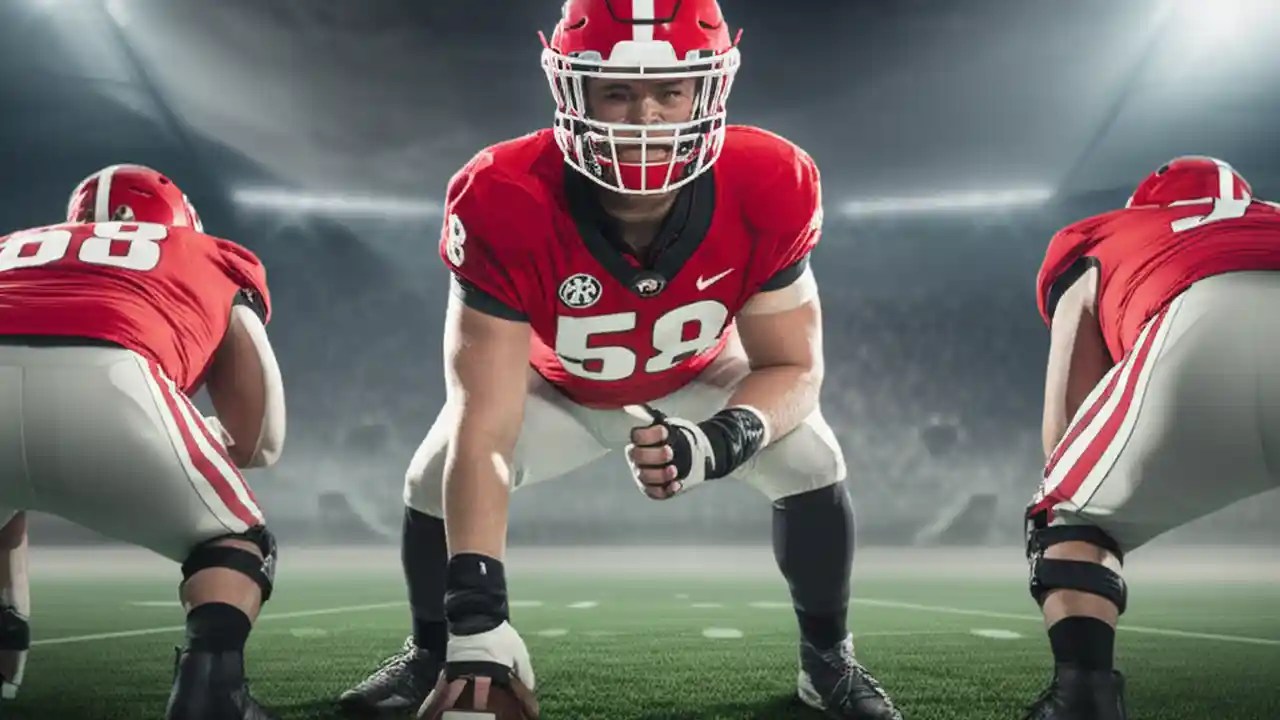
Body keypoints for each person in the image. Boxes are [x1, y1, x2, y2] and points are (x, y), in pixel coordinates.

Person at [339, 2, 901, 719]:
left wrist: (721, 441)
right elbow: (482, 422)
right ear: (572, 91)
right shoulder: (503, 195)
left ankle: (826, 662)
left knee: (813, 460)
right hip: (558, 390)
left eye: (670, 92)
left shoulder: (767, 180)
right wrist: (478, 618)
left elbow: (795, 369)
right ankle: (434, 653)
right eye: (618, 91)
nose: (645, 118)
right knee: (430, 477)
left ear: (708, 90)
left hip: (697, 376)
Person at [0, 164, 286, 720]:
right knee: (235, 540)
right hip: (111, 377)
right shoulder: (208, 254)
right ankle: (211, 695)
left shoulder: (13, 246)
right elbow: (260, 441)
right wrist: (193, 434)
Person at [1024, 156, 1280, 720]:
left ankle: (1082, 699)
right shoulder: (1268, 218)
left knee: (1067, 513)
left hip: (1205, 320)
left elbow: (1066, 420)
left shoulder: (1106, 233)